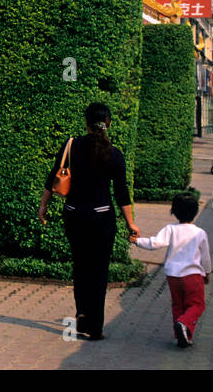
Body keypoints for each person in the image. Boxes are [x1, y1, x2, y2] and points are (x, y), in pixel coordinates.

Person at [38, 102, 139, 341]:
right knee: (99, 271)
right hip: (102, 219)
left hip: (75, 216)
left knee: (81, 266)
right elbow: (121, 193)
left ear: (86, 123)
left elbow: (53, 177)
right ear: (108, 124)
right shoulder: (114, 155)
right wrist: (130, 223)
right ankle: (95, 326)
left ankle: (82, 314)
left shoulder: (71, 146)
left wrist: (43, 205)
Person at [130, 192, 212, 348]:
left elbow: (154, 243)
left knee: (178, 305)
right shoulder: (200, 233)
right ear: (196, 211)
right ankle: (184, 324)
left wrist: (137, 241)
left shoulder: (170, 229)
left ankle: (182, 336)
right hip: (193, 276)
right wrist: (207, 272)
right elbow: (206, 257)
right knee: (197, 305)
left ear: (174, 211)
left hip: (173, 276)